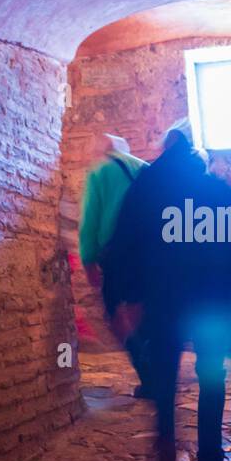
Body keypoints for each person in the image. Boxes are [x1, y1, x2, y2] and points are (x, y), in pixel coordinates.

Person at [107, 119, 231, 461]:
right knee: (212, 374)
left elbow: (122, 245)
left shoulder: (145, 189)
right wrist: (225, 274)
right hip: (211, 300)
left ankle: (166, 449)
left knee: (164, 377)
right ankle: (210, 458)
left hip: (163, 299)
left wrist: (124, 297)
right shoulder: (216, 189)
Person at [79, 133, 150, 394]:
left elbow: (90, 220)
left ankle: (147, 372)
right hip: (149, 252)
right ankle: (156, 370)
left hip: (117, 254)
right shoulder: (146, 168)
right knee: (146, 309)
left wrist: (88, 261)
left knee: (115, 313)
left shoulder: (100, 172)